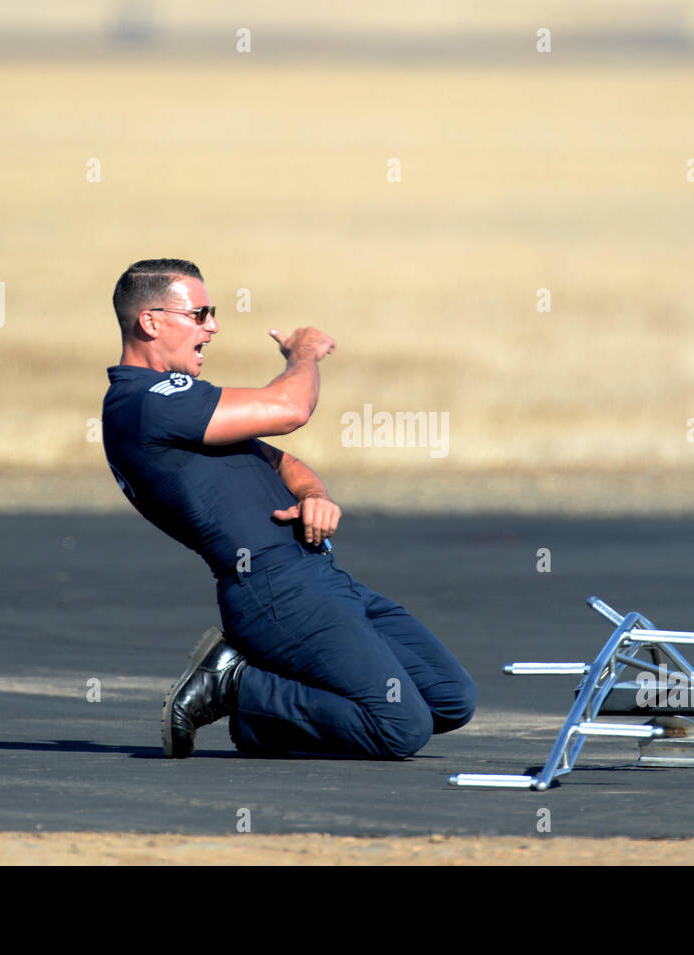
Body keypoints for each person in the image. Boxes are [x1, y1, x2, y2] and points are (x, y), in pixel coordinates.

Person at [101, 259, 476, 760]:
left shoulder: (179, 402)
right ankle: (236, 684)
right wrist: (304, 355)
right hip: (273, 588)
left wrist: (312, 497)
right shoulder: (144, 403)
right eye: (200, 313)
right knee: (399, 727)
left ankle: (263, 724)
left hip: (319, 574)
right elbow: (290, 410)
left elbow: (286, 462)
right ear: (150, 321)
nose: (212, 326)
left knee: (450, 699)